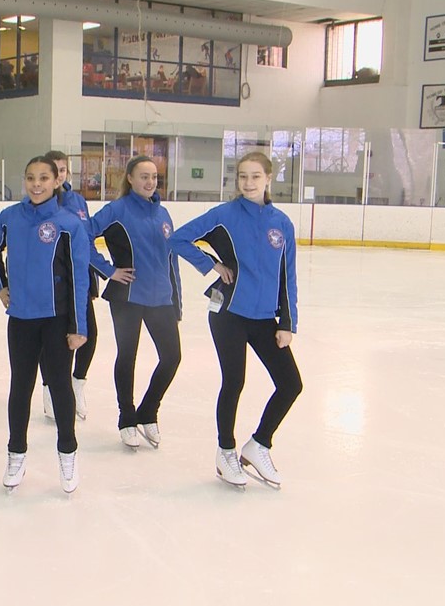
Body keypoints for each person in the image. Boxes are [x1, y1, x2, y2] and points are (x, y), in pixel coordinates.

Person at [168, 151, 301, 489]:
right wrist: (211, 264)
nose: (248, 182)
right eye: (243, 176)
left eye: (255, 176)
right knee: (234, 381)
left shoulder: (282, 224)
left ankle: (258, 445)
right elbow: (178, 239)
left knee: (290, 383)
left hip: (264, 318)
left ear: (269, 179)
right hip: (227, 312)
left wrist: (287, 323)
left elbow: (288, 277)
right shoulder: (225, 215)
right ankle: (225, 451)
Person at [0, 156, 89, 494]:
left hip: (57, 320)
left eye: (44, 177)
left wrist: (78, 326)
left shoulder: (69, 223)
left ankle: (67, 452)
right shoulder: (10, 217)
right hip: (22, 319)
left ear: (57, 181)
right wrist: (0, 286)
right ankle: (16, 453)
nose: (37, 184)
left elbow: (78, 278)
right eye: (30, 177)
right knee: (21, 388)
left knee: (59, 387)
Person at [88, 156, 182, 450]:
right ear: (129, 178)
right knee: (127, 356)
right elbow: (82, 238)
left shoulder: (163, 213)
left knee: (172, 357)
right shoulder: (117, 210)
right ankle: (127, 417)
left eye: (154, 176)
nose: (150, 182)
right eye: (143, 176)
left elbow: (172, 259)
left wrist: (176, 301)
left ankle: (148, 411)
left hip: (161, 298)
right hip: (127, 297)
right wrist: (108, 270)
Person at [39, 150, 98, 423]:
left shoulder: (78, 201)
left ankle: (77, 383)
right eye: (55, 170)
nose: (60, 174)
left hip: (78, 277)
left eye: (63, 169)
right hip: (48, 281)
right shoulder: (40, 202)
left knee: (89, 332)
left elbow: (86, 239)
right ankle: (50, 388)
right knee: (49, 339)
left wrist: (99, 271)